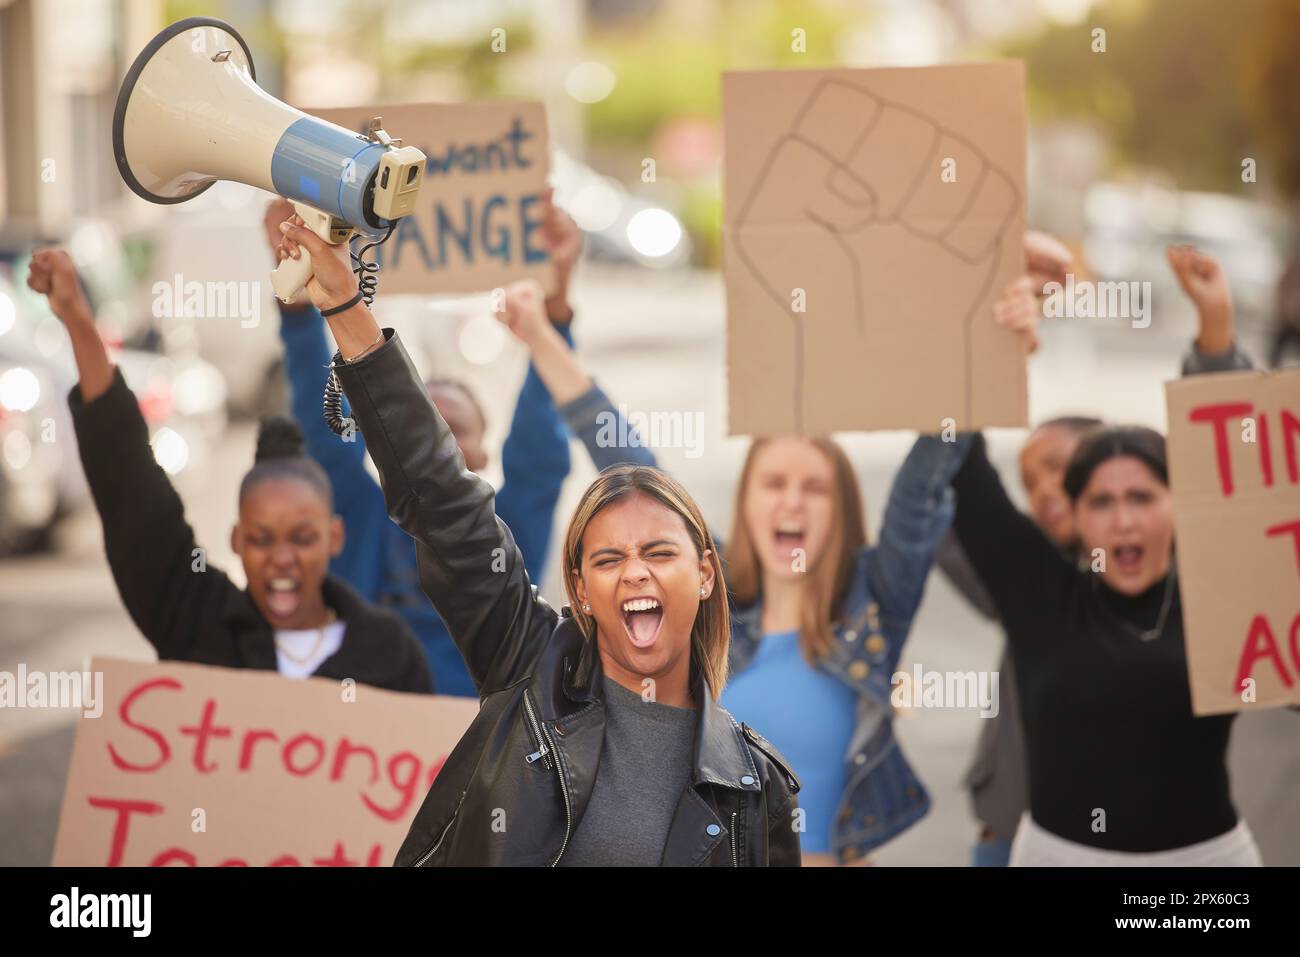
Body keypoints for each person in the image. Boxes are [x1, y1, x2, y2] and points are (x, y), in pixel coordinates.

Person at [276, 212, 802, 866]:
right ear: (580, 587)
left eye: (659, 551)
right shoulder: (532, 667)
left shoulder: (757, 787)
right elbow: (443, 496)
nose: (635, 571)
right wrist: (342, 305)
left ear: (704, 573)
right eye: (608, 557)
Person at [945, 245, 1282, 866]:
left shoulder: (1229, 600)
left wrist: (1216, 335)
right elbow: (957, 458)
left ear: (1182, 505)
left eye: (1142, 496)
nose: (1123, 519)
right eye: (1100, 501)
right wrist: (989, 339)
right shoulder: (1038, 592)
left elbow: (1235, 463)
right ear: (1074, 515)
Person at [715, 239, 1044, 866]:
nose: (793, 503)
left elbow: (924, 480)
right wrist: (545, 333)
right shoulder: (710, 603)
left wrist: (993, 355)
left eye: (814, 488)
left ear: (841, 512)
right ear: (745, 504)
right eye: (774, 484)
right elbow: (632, 479)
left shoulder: (875, 603)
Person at [265, 190, 652, 695]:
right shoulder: (355, 523)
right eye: (423, 428)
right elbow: (325, 432)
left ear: (485, 455)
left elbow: (538, 458)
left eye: (454, 431)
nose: (434, 444)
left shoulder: (506, 545)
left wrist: (553, 319)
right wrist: (296, 305)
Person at [26, 248, 430, 693]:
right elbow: (131, 492)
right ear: (236, 541)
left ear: (334, 537)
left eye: (302, 537)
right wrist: (77, 319)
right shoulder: (200, 625)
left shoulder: (387, 653)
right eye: (261, 539)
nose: (281, 558)